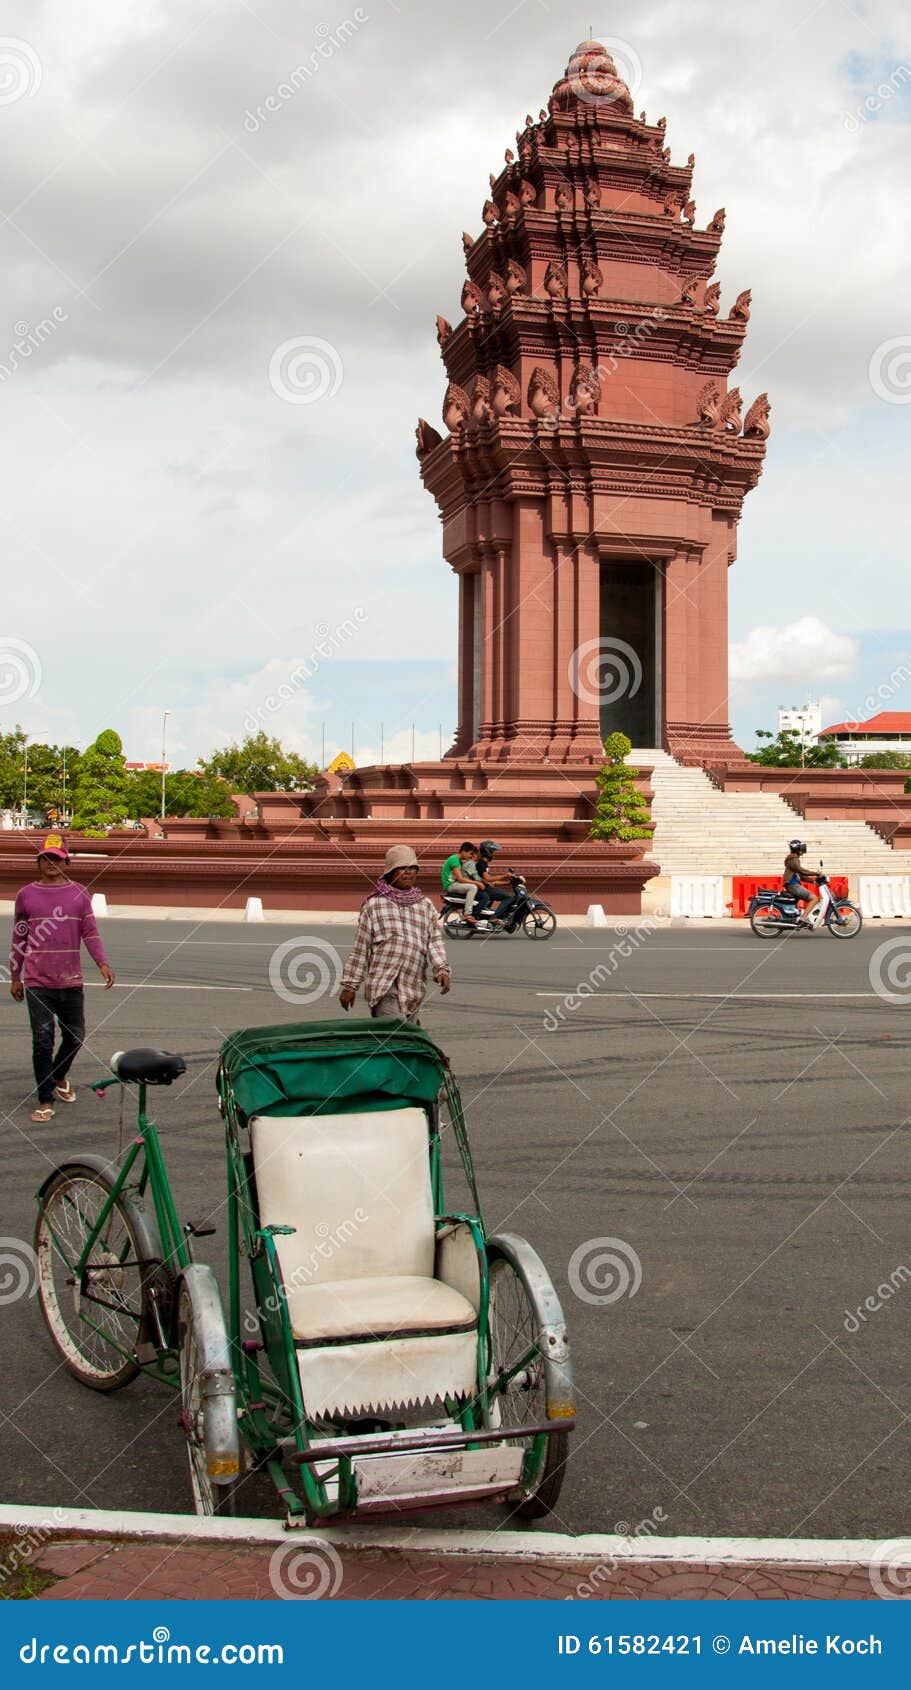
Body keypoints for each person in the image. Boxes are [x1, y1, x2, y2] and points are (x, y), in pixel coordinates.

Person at [9, 834, 115, 1123]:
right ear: (38, 861)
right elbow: (19, 937)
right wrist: (15, 975)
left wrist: (102, 962)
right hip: (36, 981)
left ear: (66, 861)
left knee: (76, 1035)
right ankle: (45, 1100)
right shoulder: (26, 895)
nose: (51, 863)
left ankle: (58, 1076)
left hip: (70, 979)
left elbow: (90, 933)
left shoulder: (79, 893)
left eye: (56, 858)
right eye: (46, 858)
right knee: (42, 1040)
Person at [339, 844, 451, 1022]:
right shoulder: (374, 905)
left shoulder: (425, 905)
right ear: (390, 873)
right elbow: (361, 949)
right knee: (396, 1028)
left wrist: (441, 969)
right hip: (383, 984)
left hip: (413, 985)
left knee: (405, 1041)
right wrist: (350, 985)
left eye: (412, 868)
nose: (408, 873)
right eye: (402, 868)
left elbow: (434, 942)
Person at [440, 841, 489, 927]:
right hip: (450, 885)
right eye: (470, 853)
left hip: (455, 884)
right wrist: (477, 883)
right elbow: (460, 878)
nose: (470, 856)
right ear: (463, 851)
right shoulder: (454, 860)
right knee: (472, 888)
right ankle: (468, 914)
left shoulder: (458, 860)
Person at [783, 839, 821, 926]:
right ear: (797, 849)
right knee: (814, 898)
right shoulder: (793, 859)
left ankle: (803, 917)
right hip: (792, 885)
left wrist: (814, 880)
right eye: (801, 848)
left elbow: (802, 876)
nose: (802, 850)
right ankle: (803, 918)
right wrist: (816, 873)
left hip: (793, 885)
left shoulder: (793, 859)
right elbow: (801, 871)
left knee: (811, 899)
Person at [475, 839, 514, 922]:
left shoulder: (483, 863)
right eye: (492, 852)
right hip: (483, 890)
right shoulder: (481, 863)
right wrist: (504, 876)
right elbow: (487, 878)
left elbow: (491, 881)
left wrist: (507, 882)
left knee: (501, 892)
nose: (493, 855)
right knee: (509, 897)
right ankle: (495, 917)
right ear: (487, 852)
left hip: (486, 888)